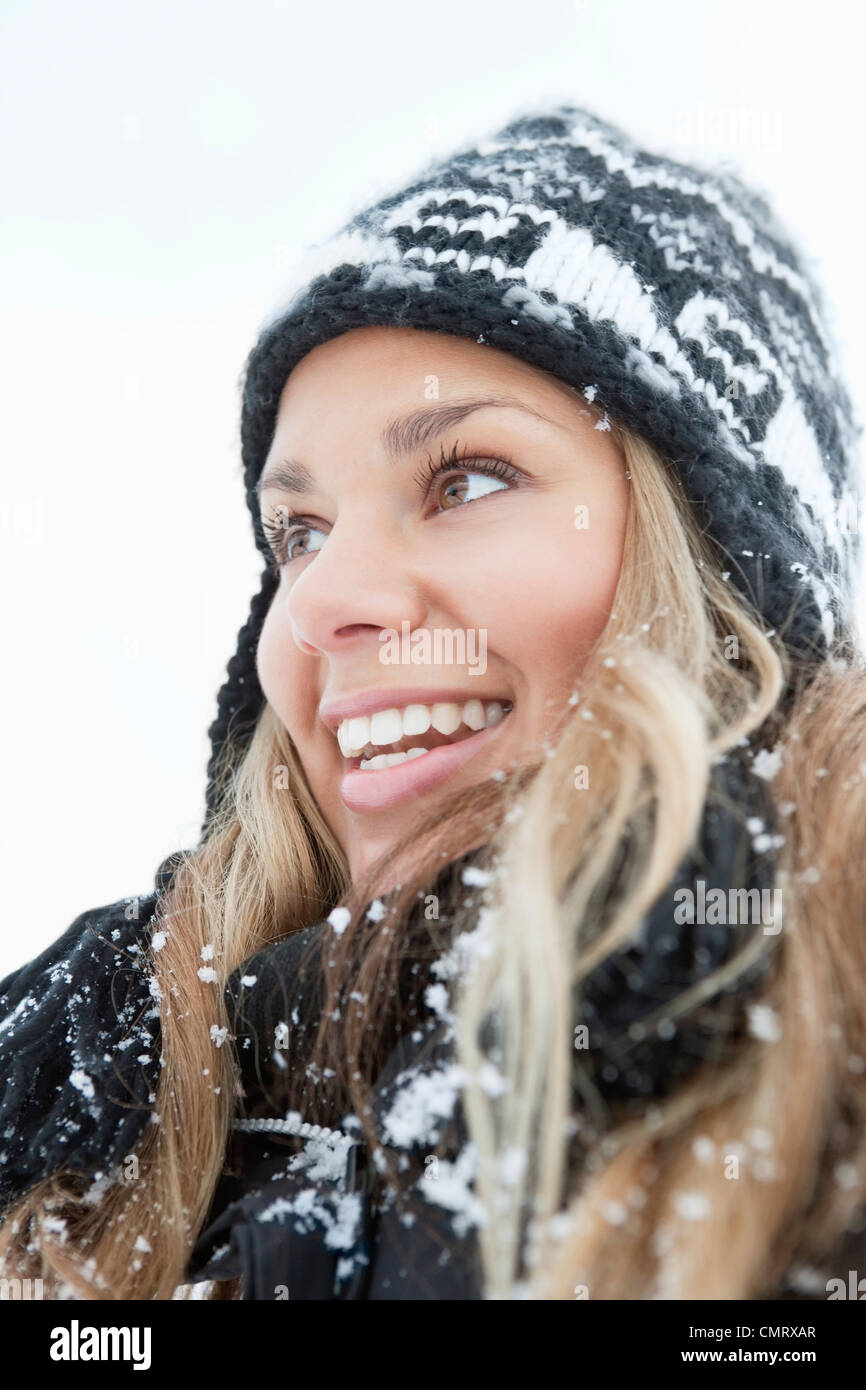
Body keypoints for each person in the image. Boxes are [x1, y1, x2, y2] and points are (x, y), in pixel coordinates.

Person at [2, 101, 865, 1302]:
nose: (318, 605)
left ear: (716, 568)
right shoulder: (75, 1114)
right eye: (297, 532)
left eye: (464, 477)